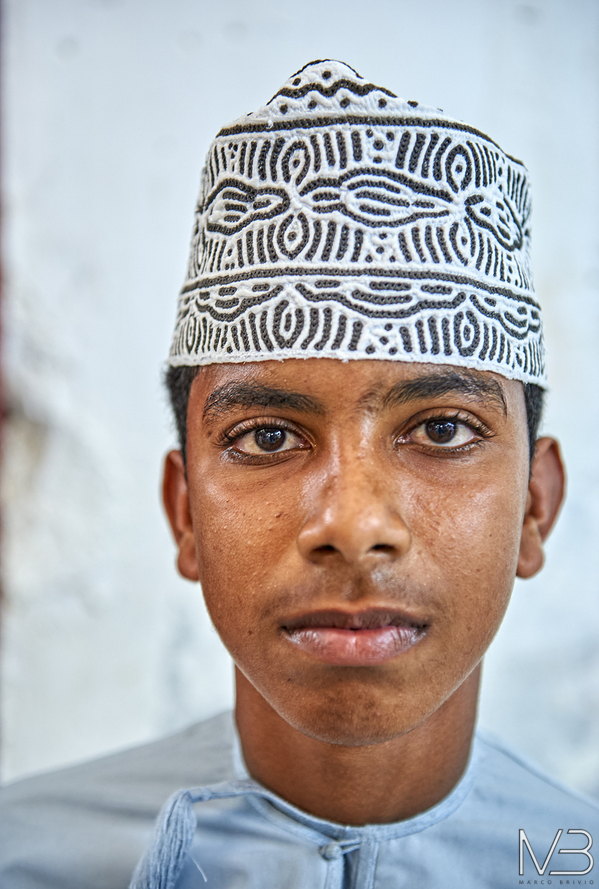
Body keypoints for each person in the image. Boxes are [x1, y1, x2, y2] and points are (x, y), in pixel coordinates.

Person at [1, 59, 596, 889]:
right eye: (269, 437)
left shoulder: (573, 861)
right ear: (185, 516)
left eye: (442, 428)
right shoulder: (23, 858)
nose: (352, 525)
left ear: (533, 507)